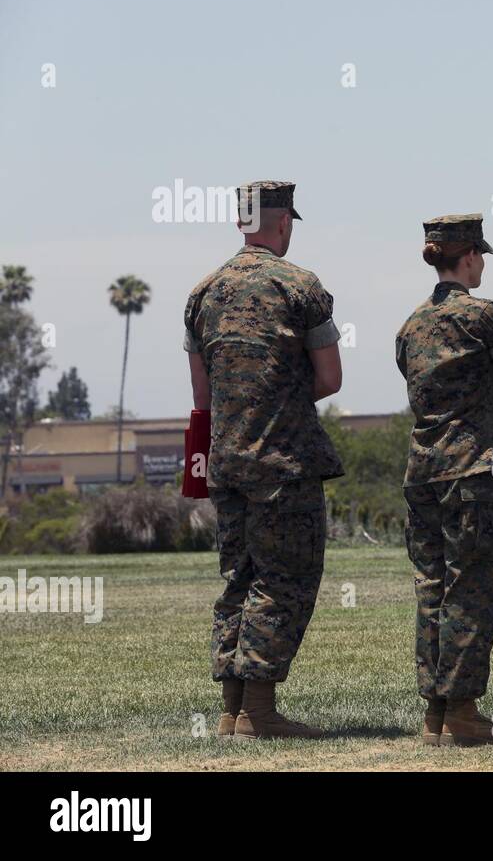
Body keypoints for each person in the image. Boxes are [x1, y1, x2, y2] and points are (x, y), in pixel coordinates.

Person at [184, 180, 343, 739]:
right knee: (286, 578)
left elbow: (203, 400)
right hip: (285, 461)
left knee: (238, 577)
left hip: (225, 462)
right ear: (283, 224)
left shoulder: (203, 292)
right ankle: (260, 710)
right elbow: (330, 378)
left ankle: (232, 711)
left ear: (240, 222)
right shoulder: (301, 286)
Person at [396, 213, 493, 745]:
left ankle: (436, 715)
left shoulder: (410, 326)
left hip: (423, 474)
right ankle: (463, 713)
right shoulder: (486, 318)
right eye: (481, 254)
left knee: (432, 588)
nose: (482, 262)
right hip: (474, 473)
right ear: (470, 257)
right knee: (474, 588)